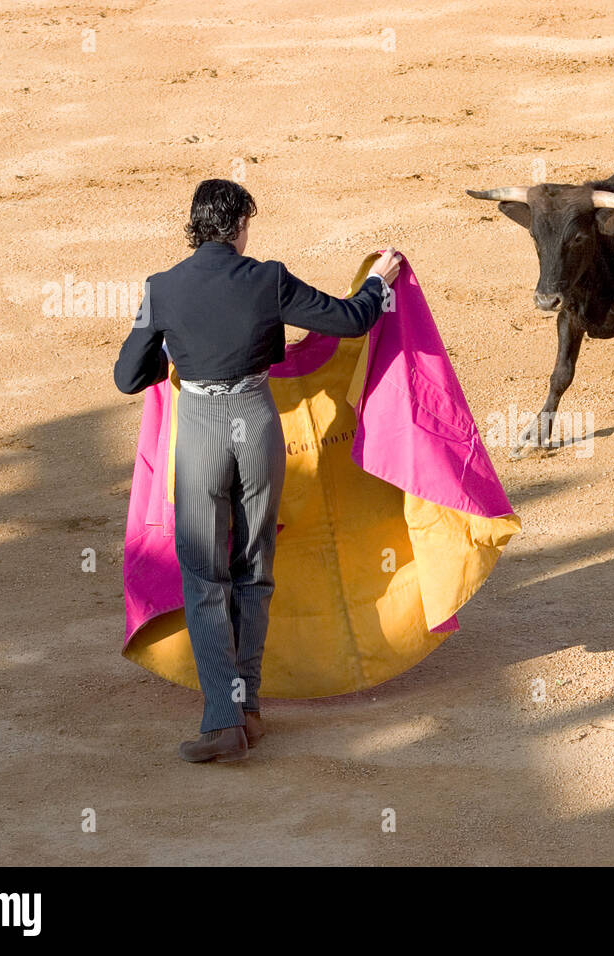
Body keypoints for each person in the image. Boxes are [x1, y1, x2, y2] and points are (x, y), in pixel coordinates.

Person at [113, 179, 402, 763]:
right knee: (254, 568)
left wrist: (176, 346)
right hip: (254, 421)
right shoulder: (267, 278)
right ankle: (245, 707)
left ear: (195, 226)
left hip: (198, 431)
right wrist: (378, 284)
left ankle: (224, 718)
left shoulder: (161, 289)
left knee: (203, 576)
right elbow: (350, 321)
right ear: (240, 224)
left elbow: (128, 376)